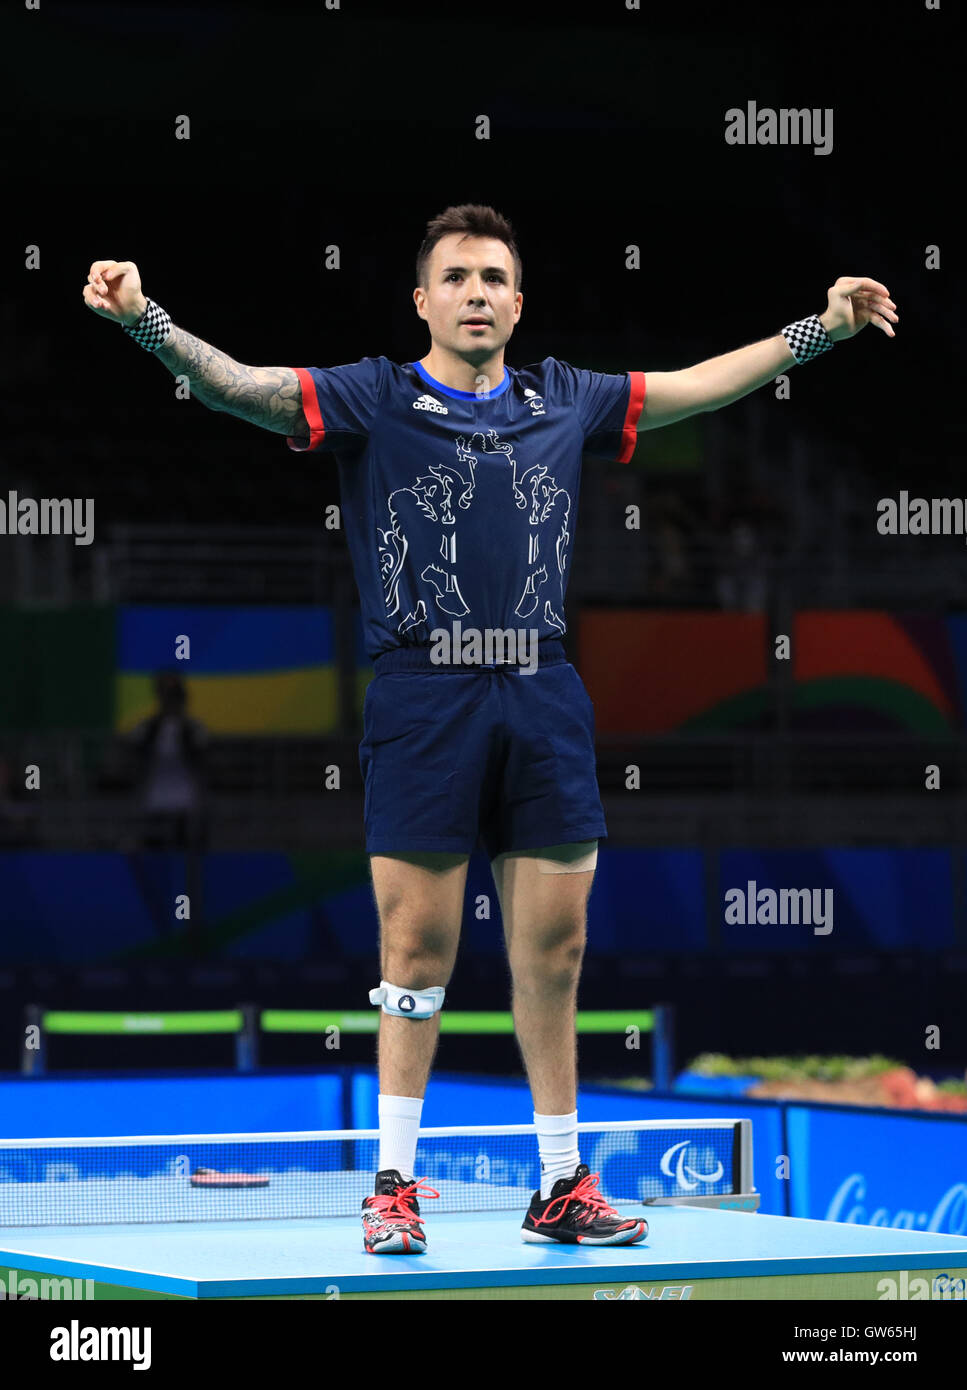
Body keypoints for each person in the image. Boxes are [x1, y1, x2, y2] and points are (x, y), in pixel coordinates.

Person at [82, 205, 898, 1253]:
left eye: (495, 277)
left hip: (544, 691)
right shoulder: (372, 395)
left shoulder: (566, 397)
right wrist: (144, 318)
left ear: (519, 302)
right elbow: (243, 387)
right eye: (457, 276)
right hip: (425, 696)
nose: (477, 292)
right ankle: (392, 1184)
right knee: (415, 948)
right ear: (422, 300)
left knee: (552, 952)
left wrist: (816, 331)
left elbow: (694, 387)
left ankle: (561, 1184)